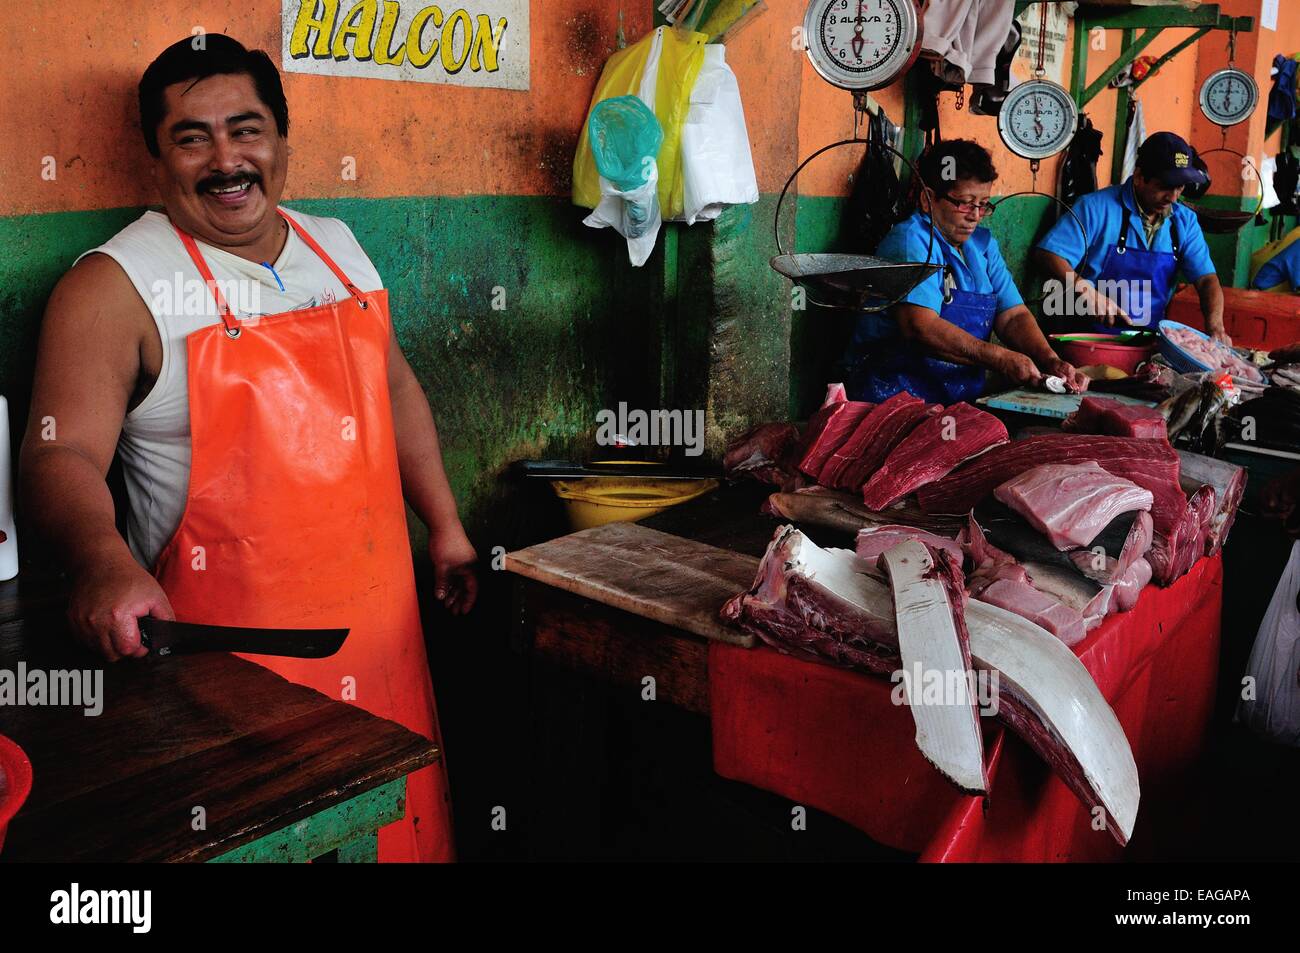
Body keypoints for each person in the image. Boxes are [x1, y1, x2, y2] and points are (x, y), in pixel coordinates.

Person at [19, 35, 476, 862]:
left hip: (383, 630)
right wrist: (99, 559)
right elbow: (59, 456)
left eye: (246, 128)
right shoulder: (112, 285)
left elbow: (397, 390)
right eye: (193, 136)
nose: (226, 159)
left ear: (282, 141)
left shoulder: (339, 246)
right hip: (230, 673)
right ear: (156, 153)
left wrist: (443, 526)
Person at [844, 138, 1087, 403]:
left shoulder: (981, 246)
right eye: (965, 203)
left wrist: (1050, 360)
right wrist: (1000, 358)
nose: (975, 215)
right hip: (891, 397)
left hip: (956, 400)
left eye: (983, 204)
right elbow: (919, 327)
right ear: (928, 200)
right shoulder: (911, 242)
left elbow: (1013, 315)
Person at [1034, 131, 1228, 342]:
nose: (1172, 197)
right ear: (1138, 177)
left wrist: (1216, 327)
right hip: (1088, 337)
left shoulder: (1185, 222)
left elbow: (1207, 279)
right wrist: (1084, 289)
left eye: (1179, 187)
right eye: (1164, 186)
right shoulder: (1095, 208)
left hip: (1148, 340)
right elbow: (1048, 254)